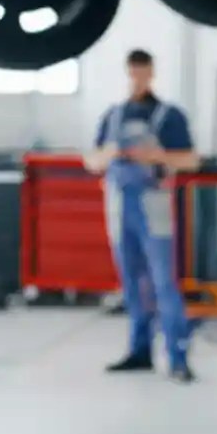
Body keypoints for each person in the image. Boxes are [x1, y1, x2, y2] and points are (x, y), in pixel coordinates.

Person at [85, 49, 201, 384]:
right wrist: (107, 155)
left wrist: (157, 156)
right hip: (119, 205)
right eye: (133, 71)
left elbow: (192, 160)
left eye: (143, 71)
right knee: (132, 283)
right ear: (127, 72)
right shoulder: (113, 116)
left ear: (151, 72)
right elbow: (92, 161)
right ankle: (140, 352)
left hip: (154, 205)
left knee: (164, 282)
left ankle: (178, 356)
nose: (138, 77)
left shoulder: (169, 116)